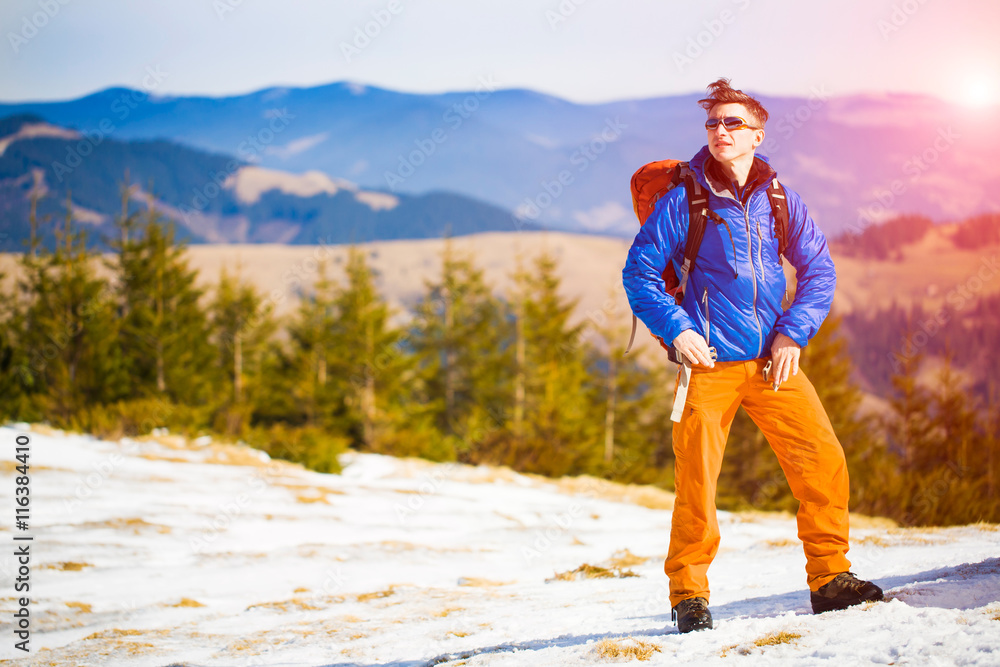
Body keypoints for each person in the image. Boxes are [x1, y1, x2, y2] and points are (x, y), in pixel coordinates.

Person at [622, 78, 883, 634]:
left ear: (758, 134)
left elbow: (819, 270)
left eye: (732, 123)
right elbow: (640, 272)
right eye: (713, 123)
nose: (720, 131)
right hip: (708, 365)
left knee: (823, 462)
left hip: (773, 362)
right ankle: (689, 595)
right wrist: (677, 329)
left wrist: (793, 334)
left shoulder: (780, 199)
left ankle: (830, 578)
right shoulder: (686, 199)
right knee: (697, 482)